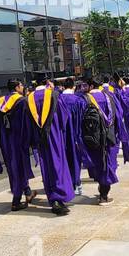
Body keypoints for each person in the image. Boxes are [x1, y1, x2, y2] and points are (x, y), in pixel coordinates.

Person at [26, 77, 75, 215]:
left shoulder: (29, 99)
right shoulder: (53, 94)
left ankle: (53, 199)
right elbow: (64, 116)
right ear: (47, 83)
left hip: (40, 138)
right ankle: (59, 199)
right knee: (58, 165)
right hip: (54, 136)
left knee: (46, 166)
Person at [0, 79, 34, 210]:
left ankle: (27, 192)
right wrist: (31, 140)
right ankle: (16, 200)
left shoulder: (0, 102)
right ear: (16, 87)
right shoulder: (22, 101)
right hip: (19, 140)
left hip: (6, 141)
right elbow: (27, 123)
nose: (23, 88)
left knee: (12, 169)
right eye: (21, 86)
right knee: (20, 167)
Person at [83, 81, 120, 202]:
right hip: (109, 137)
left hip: (92, 140)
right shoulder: (110, 97)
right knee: (108, 163)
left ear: (91, 86)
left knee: (98, 163)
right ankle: (104, 194)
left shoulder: (84, 100)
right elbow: (119, 115)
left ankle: (102, 189)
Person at [57, 77, 88, 198]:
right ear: (73, 87)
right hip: (76, 135)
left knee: (63, 159)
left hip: (61, 136)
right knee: (75, 159)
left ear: (63, 87)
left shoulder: (58, 100)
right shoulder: (78, 101)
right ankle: (76, 184)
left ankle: (66, 184)